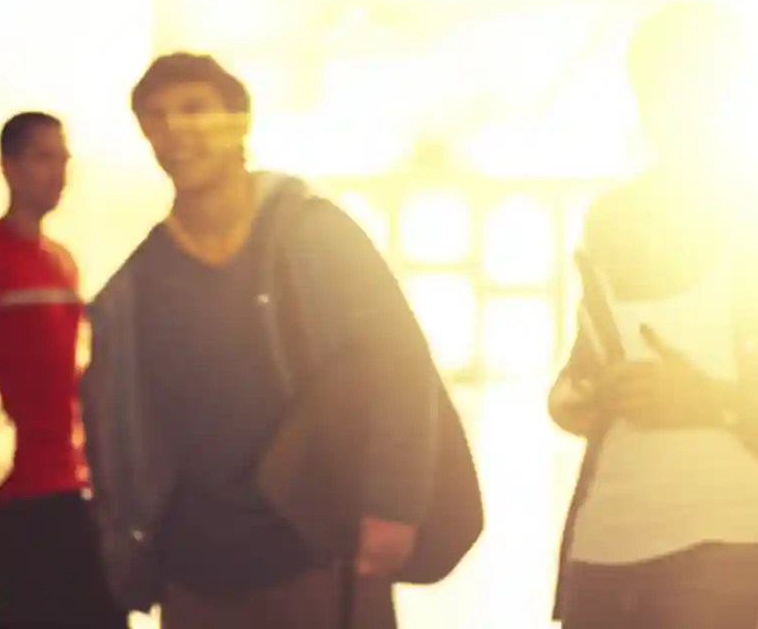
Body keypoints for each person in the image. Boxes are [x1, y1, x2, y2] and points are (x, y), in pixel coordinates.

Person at [80, 53, 471, 628]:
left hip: (318, 544)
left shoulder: (312, 234)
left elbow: (398, 362)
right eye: (157, 117)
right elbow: (120, 429)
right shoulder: (136, 284)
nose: (176, 131)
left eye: (195, 110)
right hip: (198, 567)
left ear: (239, 121)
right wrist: (133, 549)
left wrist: (394, 504)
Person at [550, 1, 758, 629]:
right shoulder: (611, 218)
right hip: (605, 538)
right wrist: (584, 396)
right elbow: (578, 376)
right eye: (654, 91)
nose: (671, 112)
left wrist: (710, 402)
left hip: (731, 541)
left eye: (694, 88)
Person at [0, 111, 127, 628]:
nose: (57, 172)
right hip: (9, 493)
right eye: (42, 157)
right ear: (8, 166)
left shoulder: (63, 261)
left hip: (72, 483)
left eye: (63, 158)